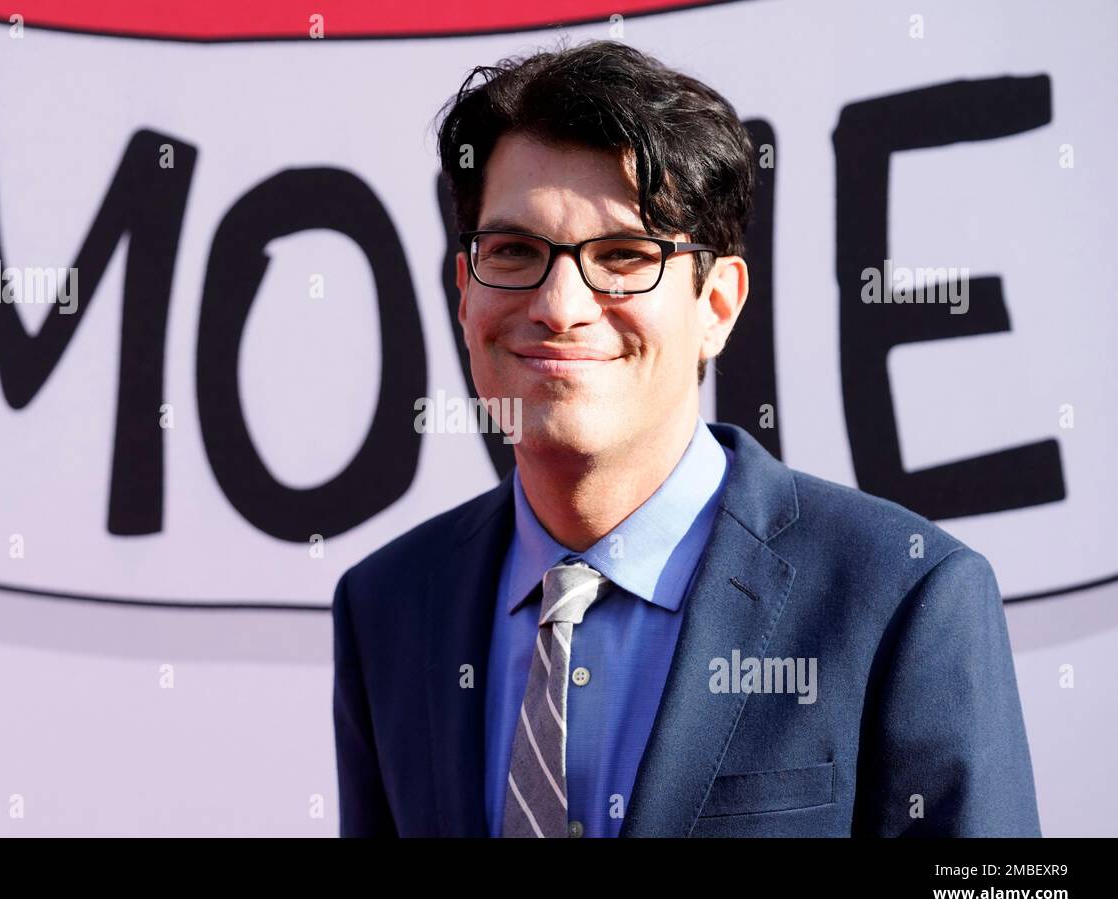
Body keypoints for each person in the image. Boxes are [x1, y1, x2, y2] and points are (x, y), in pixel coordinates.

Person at [331, 39, 1040, 837]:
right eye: (514, 252)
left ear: (719, 305)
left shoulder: (901, 598)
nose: (560, 305)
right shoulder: (388, 604)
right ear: (464, 291)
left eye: (624, 256)